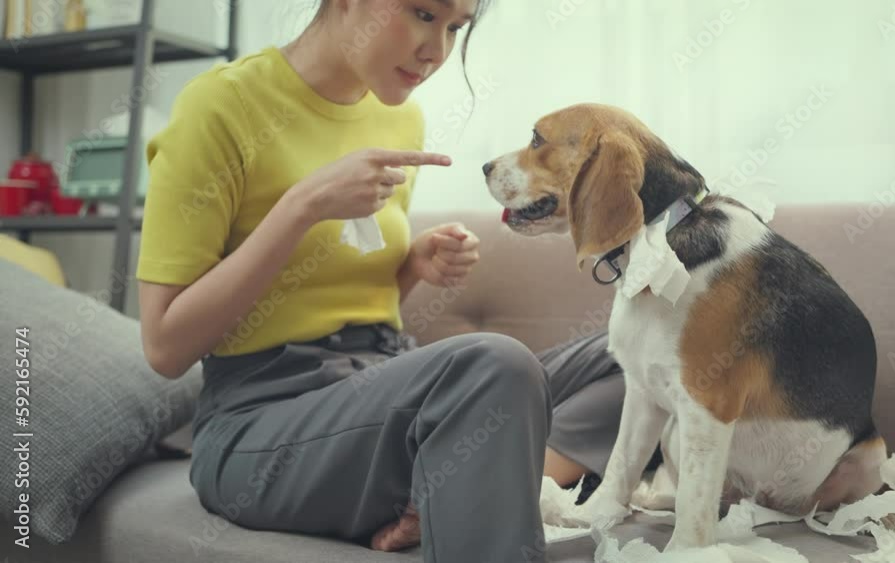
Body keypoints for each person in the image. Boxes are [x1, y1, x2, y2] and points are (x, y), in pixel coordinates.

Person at [135, 1, 626, 561]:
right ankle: (460, 473)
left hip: (377, 380)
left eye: (455, 28)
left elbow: (354, 309)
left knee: (632, 347)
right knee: (494, 365)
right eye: (422, 13)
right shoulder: (219, 107)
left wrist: (412, 266)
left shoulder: (399, 117)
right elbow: (165, 346)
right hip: (260, 420)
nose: (437, 51)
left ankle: (457, 479)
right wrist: (304, 205)